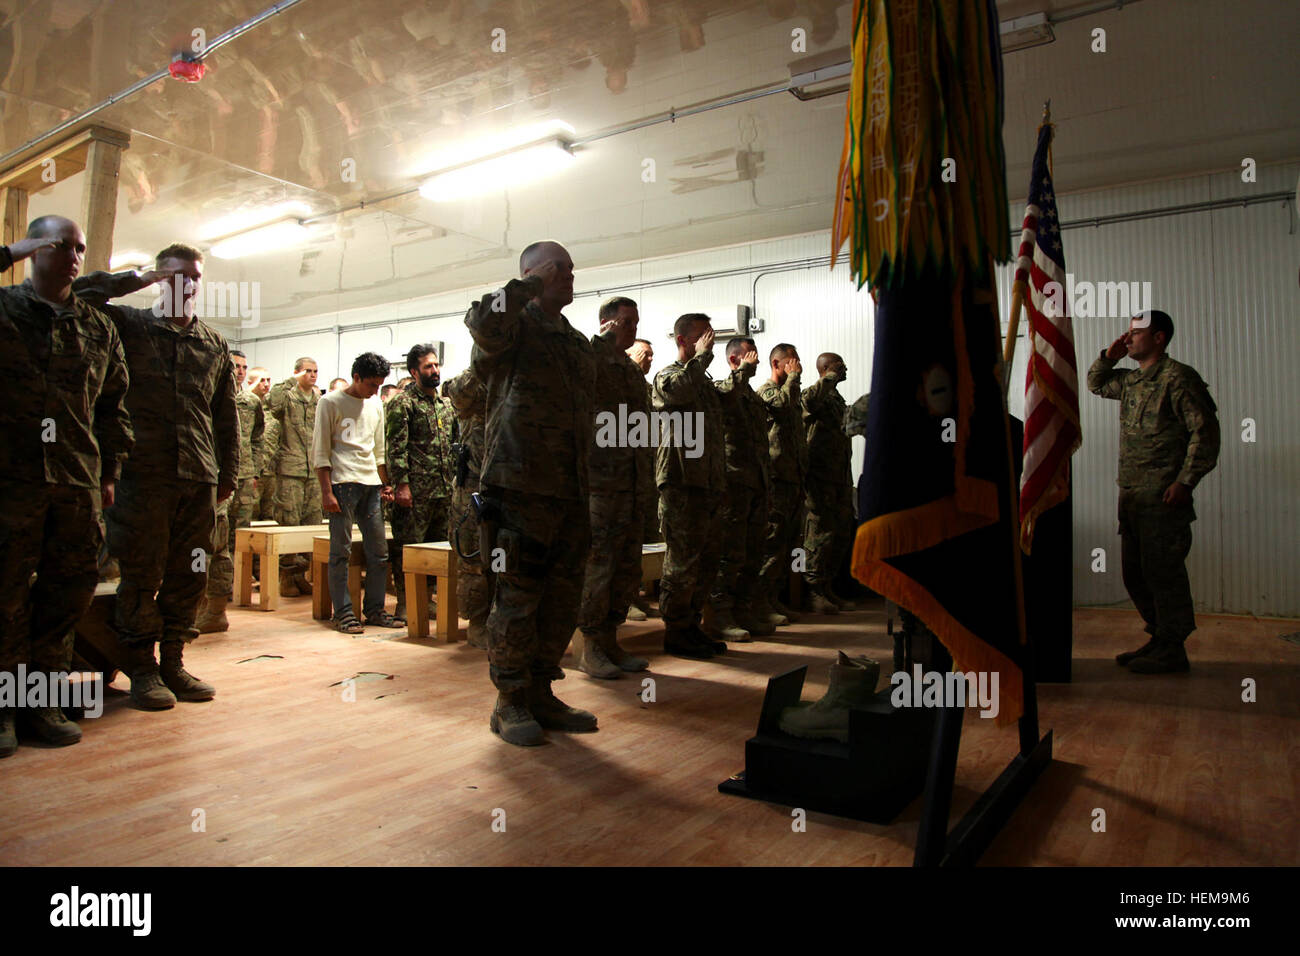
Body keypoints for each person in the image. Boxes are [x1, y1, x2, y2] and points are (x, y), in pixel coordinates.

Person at [74, 242, 238, 710]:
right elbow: (80, 297)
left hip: (199, 475)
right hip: (141, 475)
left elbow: (226, 416)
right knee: (141, 574)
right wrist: (136, 278)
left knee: (191, 572)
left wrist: (228, 472)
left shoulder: (213, 342)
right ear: (158, 278)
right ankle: (141, 667)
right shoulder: (129, 325)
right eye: (175, 275)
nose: (186, 285)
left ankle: (172, 660)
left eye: (194, 277)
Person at [0, 217, 133, 752]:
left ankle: (42, 701)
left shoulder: (97, 328)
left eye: (81, 247)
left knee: (68, 591)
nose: (74, 255)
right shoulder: (5, 309)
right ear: (35, 248)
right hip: (11, 481)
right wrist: (8, 250)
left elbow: (113, 406)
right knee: (5, 594)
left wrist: (109, 474)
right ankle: (5, 707)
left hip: (76, 482)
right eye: (61, 245)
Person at [464, 239, 597, 746]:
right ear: (532, 274)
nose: (569, 276)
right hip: (519, 486)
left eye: (570, 268)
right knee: (517, 596)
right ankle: (510, 700)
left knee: (563, 599)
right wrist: (525, 286)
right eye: (558, 269)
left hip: (571, 489)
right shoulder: (511, 325)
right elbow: (482, 323)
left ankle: (542, 690)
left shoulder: (576, 341)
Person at [1087, 310, 1220, 674]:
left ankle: (1173, 647)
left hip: (1164, 496)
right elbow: (1096, 384)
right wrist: (1109, 356)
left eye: (1135, 333)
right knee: (1135, 572)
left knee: (1163, 572)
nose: (1128, 338)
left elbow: (1205, 433)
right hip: (1132, 496)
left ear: (1159, 338)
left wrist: (1185, 481)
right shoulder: (1132, 381)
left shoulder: (1179, 379)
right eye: (1127, 333)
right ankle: (1160, 638)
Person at [573, 296, 653, 678]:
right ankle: (590, 647)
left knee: (626, 566)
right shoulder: (590, 356)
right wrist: (601, 341)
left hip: (632, 482)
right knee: (599, 565)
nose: (633, 329)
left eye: (635, 322)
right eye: (626, 322)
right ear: (606, 323)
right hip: (601, 484)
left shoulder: (631, 370)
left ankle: (611, 640)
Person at [653, 313, 728, 659]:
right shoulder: (668, 376)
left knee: (706, 562)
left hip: (708, 484)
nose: (709, 341)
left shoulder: (704, 381)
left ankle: (692, 626)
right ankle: (676, 631)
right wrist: (702, 357)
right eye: (701, 336)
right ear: (683, 340)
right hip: (681, 484)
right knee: (681, 564)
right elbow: (679, 393)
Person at [313, 352, 404, 633]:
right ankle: (343, 613)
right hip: (341, 485)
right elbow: (320, 451)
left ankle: (375, 610)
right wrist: (327, 492)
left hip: (371, 486)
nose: (375, 391)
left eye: (379, 385)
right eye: (371, 385)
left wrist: (385, 483)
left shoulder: (376, 404)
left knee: (378, 553)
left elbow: (379, 451)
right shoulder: (329, 402)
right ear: (356, 377)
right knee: (339, 552)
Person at [708, 336, 774, 640]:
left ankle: (743, 609)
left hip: (757, 481)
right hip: (734, 482)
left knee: (753, 551)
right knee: (730, 553)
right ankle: (720, 615)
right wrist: (740, 373)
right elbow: (722, 400)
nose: (757, 361)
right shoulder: (725, 387)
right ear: (735, 359)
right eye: (751, 356)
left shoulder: (752, 396)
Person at [386, 344, 456, 622]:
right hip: (415, 490)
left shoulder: (446, 405)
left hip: (443, 489)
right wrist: (401, 485)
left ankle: (427, 599)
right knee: (410, 547)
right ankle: (406, 602)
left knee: (436, 549)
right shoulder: (403, 403)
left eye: (436, 365)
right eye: (428, 366)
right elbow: (395, 447)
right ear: (414, 372)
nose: (435, 370)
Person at [802, 352, 857, 613]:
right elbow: (808, 402)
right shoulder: (817, 394)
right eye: (839, 365)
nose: (844, 368)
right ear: (825, 368)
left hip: (840, 477)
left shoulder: (836, 399)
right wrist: (829, 378)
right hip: (820, 478)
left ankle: (827, 587)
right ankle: (813, 590)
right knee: (820, 533)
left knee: (841, 533)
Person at [757, 343, 807, 626]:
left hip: (793, 479)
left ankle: (773, 598)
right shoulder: (768, 392)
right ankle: (761, 601)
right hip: (776, 480)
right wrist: (793, 379)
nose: (797, 367)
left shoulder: (792, 392)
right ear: (777, 364)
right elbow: (782, 409)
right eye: (791, 362)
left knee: (787, 544)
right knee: (772, 543)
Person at [442, 367, 492, 648]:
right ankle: (478, 623)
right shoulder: (472, 381)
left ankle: (498, 619)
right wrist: (482, 361)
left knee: (502, 557)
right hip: (473, 484)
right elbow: (458, 394)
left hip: (505, 480)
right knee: (474, 557)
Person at [267, 357, 321, 595]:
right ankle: (286, 577)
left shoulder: (320, 400)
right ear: (297, 372)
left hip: (315, 470)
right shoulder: (287, 396)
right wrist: (292, 380)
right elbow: (272, 403)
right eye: (307, 371)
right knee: (289, 521)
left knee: (312, 522)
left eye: (315, 371)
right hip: (291, 468)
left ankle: (301, 575)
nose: (312, 375)